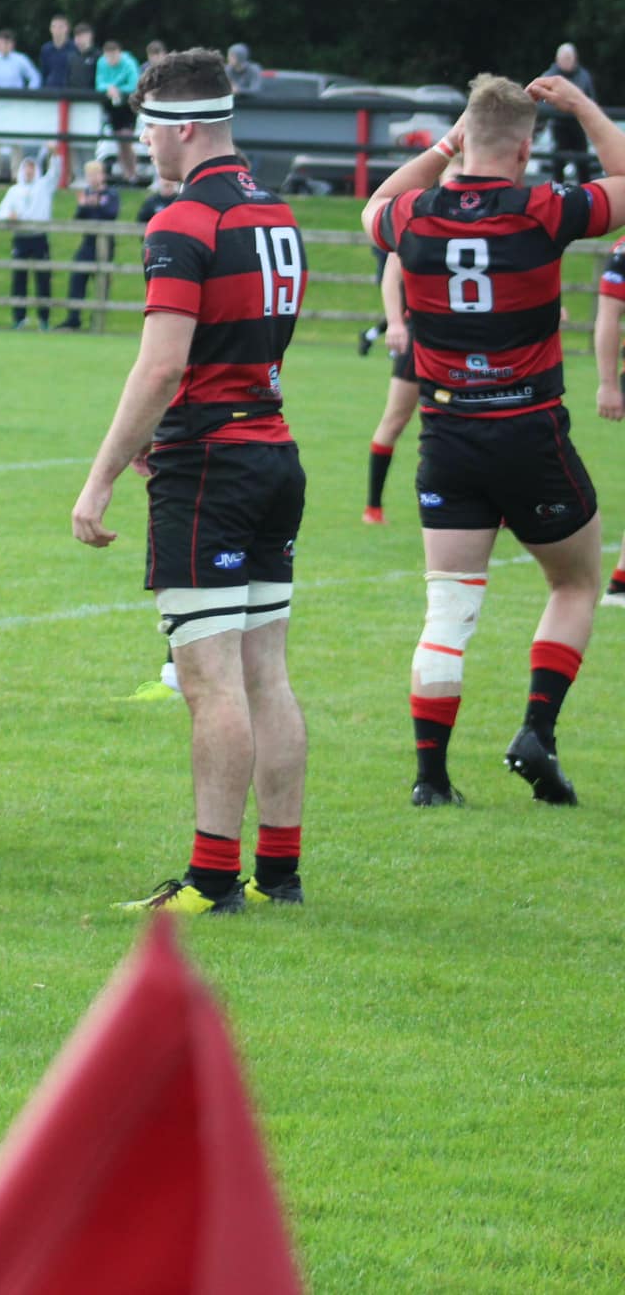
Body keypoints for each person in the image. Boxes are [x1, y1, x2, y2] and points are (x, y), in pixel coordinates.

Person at [71, 47, 308, 915]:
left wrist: (98, 477)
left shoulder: (182, 221)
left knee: (209, 679)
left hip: (210, 465)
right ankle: (278, 870)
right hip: (274, 451)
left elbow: (162, 363)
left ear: (183, 127)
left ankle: (212, 881)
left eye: (147, 130)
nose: (144, 148)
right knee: (266, 672)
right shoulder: (274, 208)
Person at [363, 73, 625, 808]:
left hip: (448, 434)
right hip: (529, 428)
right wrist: (580, 105)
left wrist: (447, 141)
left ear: (461, 140)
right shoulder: (543, 210)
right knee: (575, 582)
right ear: (525, 147)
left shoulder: (414, 215)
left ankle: (431, 778)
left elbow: (373, 207)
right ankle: (536, 729)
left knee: (447, 608)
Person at [363, 253, 417, 525]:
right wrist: (395, 323)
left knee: (474, 419)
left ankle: (496, 508)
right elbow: (391, 273)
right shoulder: (412, 218)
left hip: (468, 337)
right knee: (394, 419)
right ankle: (373, 508)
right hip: (421, 334)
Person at [0, 146, 60, 328]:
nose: (29, 171)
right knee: (19, 279)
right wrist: (9, 216)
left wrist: (53, 154)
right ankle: (19, 318)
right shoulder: (14, 190)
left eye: (32, 167)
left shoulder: (44, 186)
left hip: (39, 236)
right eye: (27, 167)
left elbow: (55, 172)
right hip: (21, 237)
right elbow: (1, 212)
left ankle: (44, 319)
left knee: (43, 279)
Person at [57, 160, 120, 329]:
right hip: (88, 242)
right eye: (89, 175)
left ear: (102, 175)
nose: (93, 178)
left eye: (96, 174)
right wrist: (83, 206)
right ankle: (73, 319)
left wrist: (96, 203)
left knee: (102, 281)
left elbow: (111, 213)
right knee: (77, 277)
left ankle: (97, 321)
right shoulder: (86, 194)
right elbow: (78, 218)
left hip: (106, 244)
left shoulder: (111, 194)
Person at [0, 30, 40, 179]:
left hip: (14, 105)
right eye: (0, 42)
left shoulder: (20, 60)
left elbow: (34, 77)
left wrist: (28, 94)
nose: (3, 46)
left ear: (12, 44)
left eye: (6, 43)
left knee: (15, 140)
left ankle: (17, 175)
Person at [541, 43, 598, 181]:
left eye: (569, 58)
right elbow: (540, 103)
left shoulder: (584, 76)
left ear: (575, 59)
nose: (567, 61)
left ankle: (586, 192)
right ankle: (556, 193)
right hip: (559, 126)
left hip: (579, 124)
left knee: (583, 162)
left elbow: (592, 100)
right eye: (564, 58)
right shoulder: (548, 77)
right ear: (557, 59)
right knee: (558, 162)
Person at [98, 39, 141, 183]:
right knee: (119, 140)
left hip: (128, 106)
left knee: (126, 138)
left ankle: (133, 173)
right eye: (108, 57)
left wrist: (116, 89)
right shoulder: (102, 63)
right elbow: (99, 84)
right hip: (113, 106)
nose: (111, 60)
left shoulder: (129, 63)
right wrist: (109, 89)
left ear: (119, 53)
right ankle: (127, 174)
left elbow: (134, 84)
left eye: (114, 56)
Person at [38, 14, 76, 91]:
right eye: (54, 26)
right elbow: (44, 72)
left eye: (60, 27)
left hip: (70, 93)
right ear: (50, 29)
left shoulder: (74, 48)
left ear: (67, 28)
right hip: (49, 92)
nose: (57, 30)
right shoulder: (46, 49)